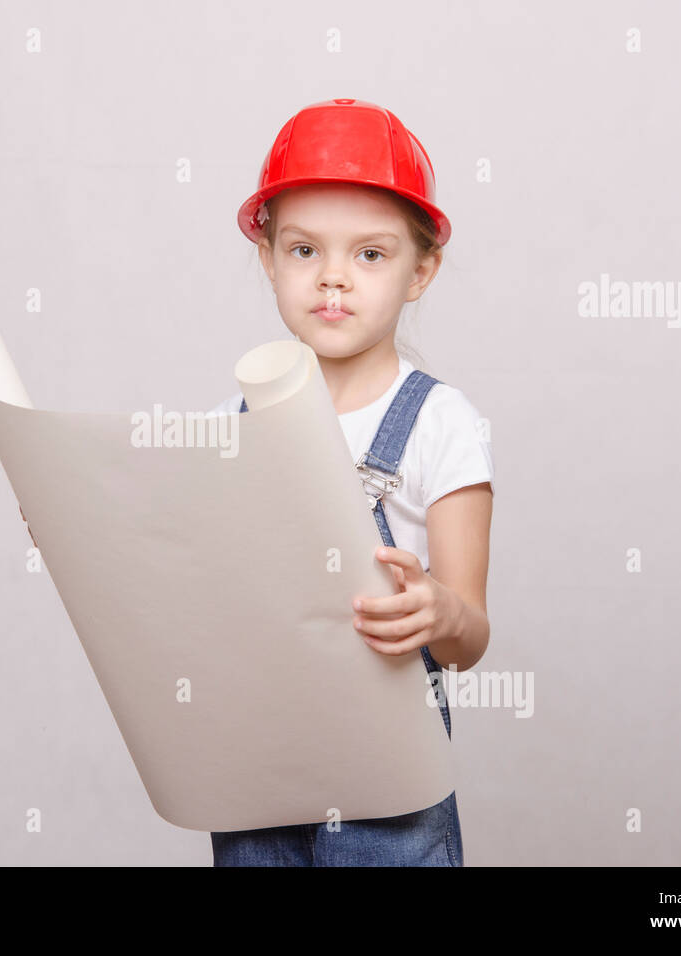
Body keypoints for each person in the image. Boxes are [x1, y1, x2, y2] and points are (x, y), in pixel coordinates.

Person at [206, 98, 494, 867]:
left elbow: (470, 640)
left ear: (420, 270)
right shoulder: (231, 424)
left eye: (369, 254)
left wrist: (438, 609)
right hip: (258, 772)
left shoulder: (443, 423)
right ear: (267, 257)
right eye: (304, 251)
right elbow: (188, 585)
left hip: (388, 787)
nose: (333, 277)